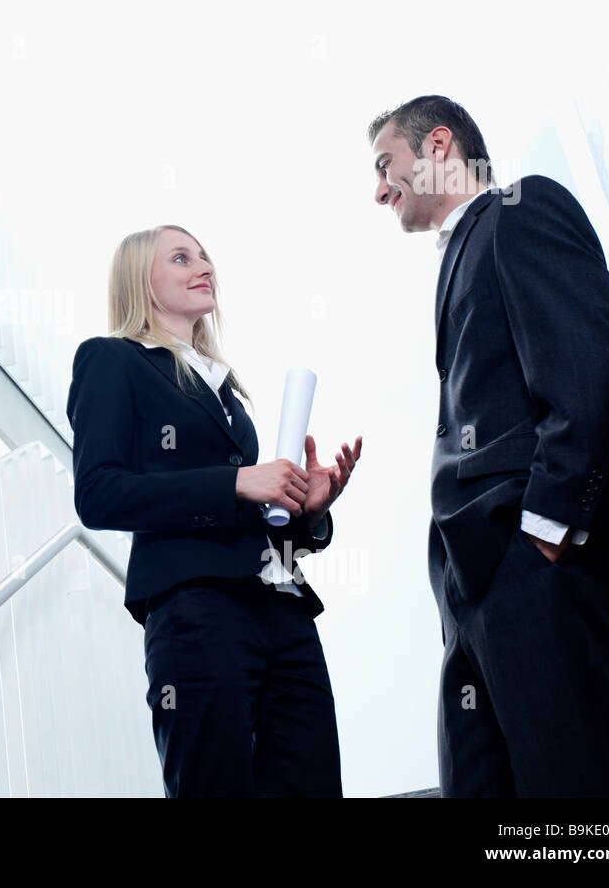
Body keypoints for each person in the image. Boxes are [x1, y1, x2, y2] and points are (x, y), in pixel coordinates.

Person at [368, 94, 609, 797]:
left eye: (384, 164)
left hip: (530, 570)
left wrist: (546, 531)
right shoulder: (461, 249)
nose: (378, 190)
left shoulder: (521, 210)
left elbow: (581, 367)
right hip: (473, 590)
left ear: (437, 145)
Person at [65, 224, 361, 797]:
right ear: (140, 282)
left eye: (203, 256)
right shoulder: (110, 361)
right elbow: (98, 494)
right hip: (196, 609)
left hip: (284, 611)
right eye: (181, 257)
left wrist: (310, 513)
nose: (203, 266)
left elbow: (252, 517)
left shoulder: (227, 393)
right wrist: (237, 482)